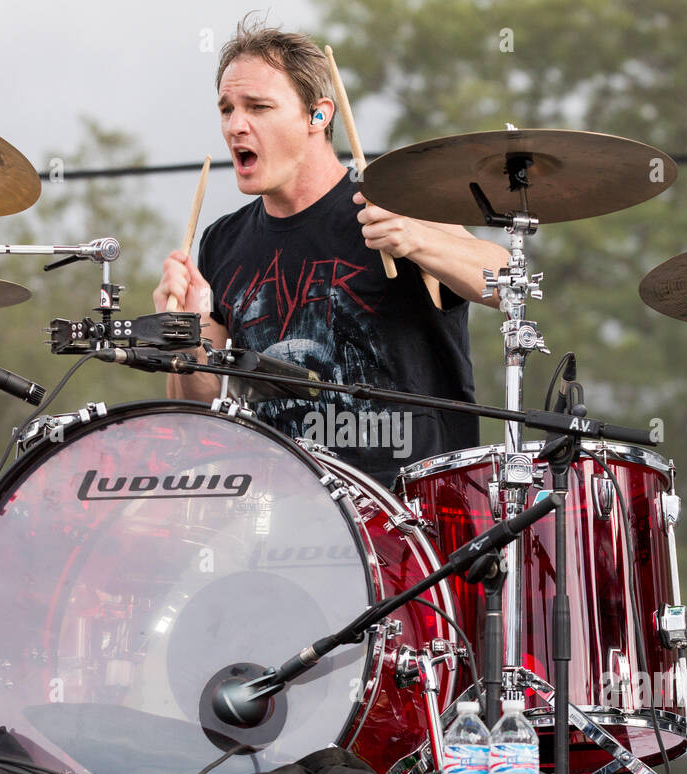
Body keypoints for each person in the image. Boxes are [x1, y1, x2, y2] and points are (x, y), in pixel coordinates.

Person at [153, 19, 509, 486]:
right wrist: (181, 332)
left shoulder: (395, 205)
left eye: (258, 107)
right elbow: (200, 405)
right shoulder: (222, 241)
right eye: (227, 109)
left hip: (409, 515)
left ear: (318, 116)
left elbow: (508, 283)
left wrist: (417, 240)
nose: (236, 125)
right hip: (277, 508)